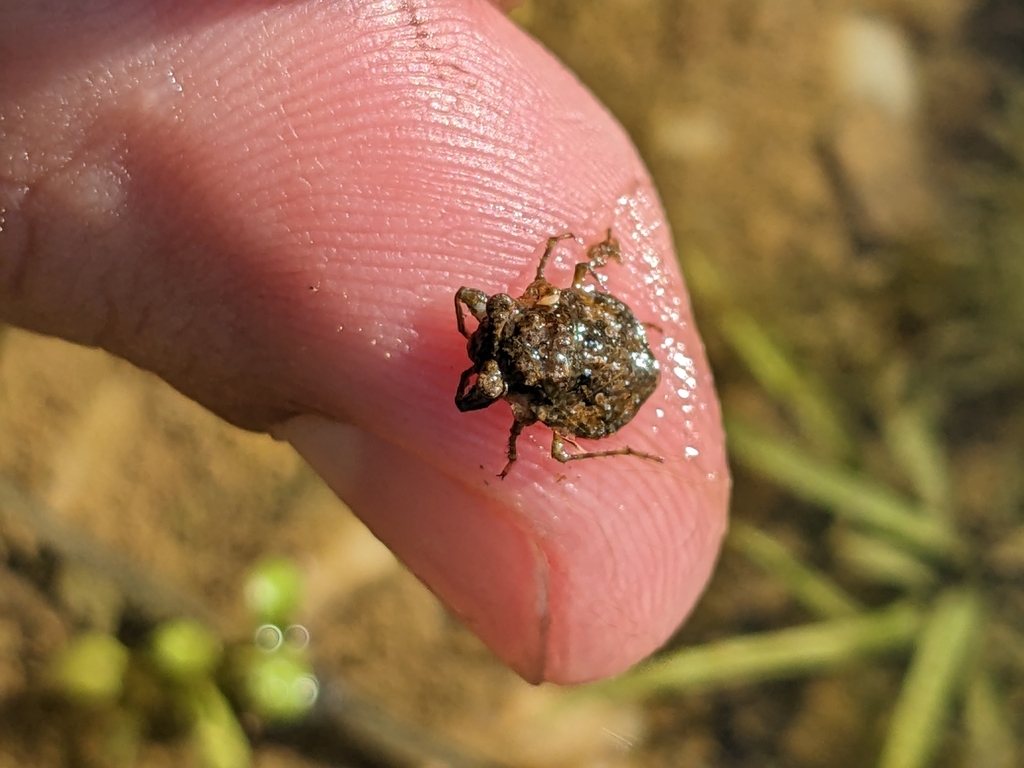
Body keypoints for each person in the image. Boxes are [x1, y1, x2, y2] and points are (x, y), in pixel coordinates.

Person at [0, 0, 729, 684]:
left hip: (602, 364)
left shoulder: (527, 357)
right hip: (588, 346)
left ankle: (637, 446)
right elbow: (515, 296)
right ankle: (630, 432)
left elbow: (529, 325)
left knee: (570, 443)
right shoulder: (519, 326)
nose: (484, 335)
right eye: (495, 329)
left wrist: (521, 419)